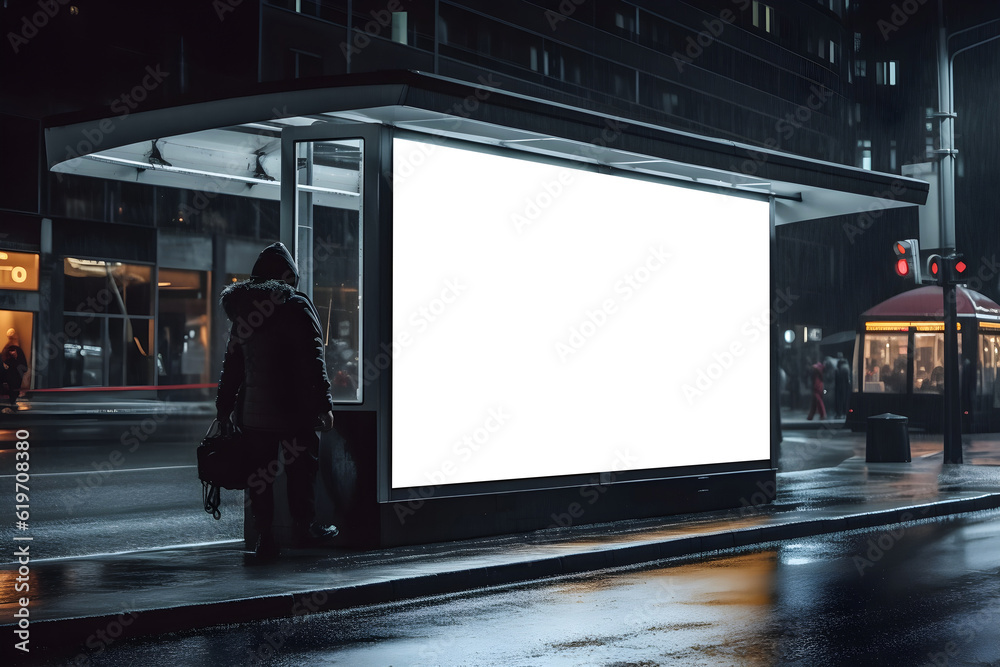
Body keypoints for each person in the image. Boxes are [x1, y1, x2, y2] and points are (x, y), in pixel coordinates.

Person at [215, 242, 338, 562]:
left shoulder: (242, 309)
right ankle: (305, 527)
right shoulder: (296, 304)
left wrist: (224, 408)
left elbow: (233, 364)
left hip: (254, 414)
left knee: (260, 477)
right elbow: (314, 355)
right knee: (302, 468)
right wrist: (323, 403)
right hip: (293, 409)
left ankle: (265, 537)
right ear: (290, 276)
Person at [1, 329, 28, 414]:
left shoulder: (16, 350)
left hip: (15, 376)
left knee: (14, 391)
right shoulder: (9, 349)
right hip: (12, 376)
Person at [835, 354, 851, 419]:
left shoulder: (840, 367)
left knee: (840, 399)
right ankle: (844, 413)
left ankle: (840, 413)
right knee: (845, 399)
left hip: (841, 385)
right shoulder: (846, 366)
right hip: (846, 385)